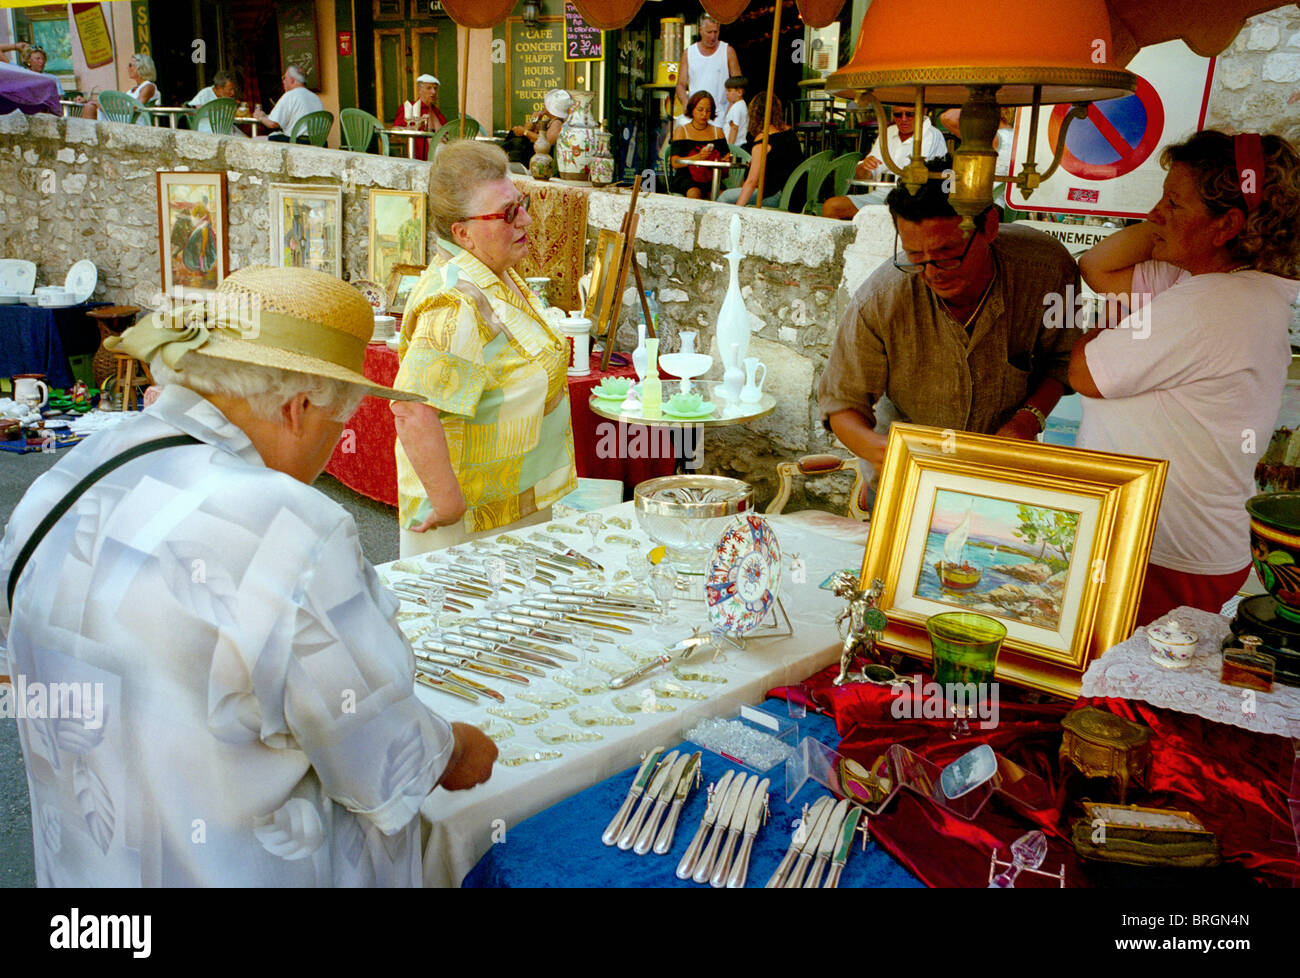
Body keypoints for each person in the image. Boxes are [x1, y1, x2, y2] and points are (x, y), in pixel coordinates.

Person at [0, 265, 497, 886]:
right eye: (337, 425)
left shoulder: (64, 480)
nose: (325, 458)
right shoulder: (291, 526)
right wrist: (458, 748)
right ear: (298, 409)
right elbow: (382, 761)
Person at [1069, 129, 1300, 625]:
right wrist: (1169, 226)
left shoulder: (1210, 304)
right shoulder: (1218, 286)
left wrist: (1107, 327)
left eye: (1174, 203)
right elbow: (1096, 266)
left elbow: (1083, 373)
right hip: (1178, 543)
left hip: (1163, 553)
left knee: (1121, 693)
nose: (1153, 214)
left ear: (1228, 225)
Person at [818, 156, 1080, 473]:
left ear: (991, 227)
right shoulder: (879, 300)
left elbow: (1062, 362)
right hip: (907, 466)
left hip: (1002, 461)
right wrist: (880, 451)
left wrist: (1027, 419)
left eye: (948, 254)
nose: (932, 273)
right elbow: (843, 406)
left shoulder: (1049, 270)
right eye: (914, 256)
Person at [394, 141, 577, 556]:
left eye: (522, 203)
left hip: (509, 507)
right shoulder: (455, 303)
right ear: (463, 233)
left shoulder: (496, 272)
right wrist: (448, 503)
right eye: (508, 213)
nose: (527, 219)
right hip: (469, 524)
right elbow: (412, 408)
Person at [822, 104, 948, 219]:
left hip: (913, 200)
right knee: (831, 206)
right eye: (898, 114)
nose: (903, 119)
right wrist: (865, 168)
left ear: (922, 112)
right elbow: (862, 176)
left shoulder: (932, 136)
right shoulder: (888, 132)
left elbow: (931, 183)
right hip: (881, 197)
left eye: (909, 114)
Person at [718, 94, 805, 209]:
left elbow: (752, 181)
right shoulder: (790, 133)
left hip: (777, 196)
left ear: (755, 114)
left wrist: (737, 209)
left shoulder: (763, 140)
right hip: (797, 195)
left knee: (725, 196)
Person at [675, 14, 741, 128]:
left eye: (716, 32)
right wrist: (686, 103)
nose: (713, 36)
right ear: (700, 30)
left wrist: (731, 109)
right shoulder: (689, 53)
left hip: (721, 115)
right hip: (695, 114)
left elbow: (739, 84)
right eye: (709, 32)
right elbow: (680, 84)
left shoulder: (728, 51)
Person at [668, 91, 730, 199]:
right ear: (692, 109)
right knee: (694, 193)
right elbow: (675, 162)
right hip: (686, 178)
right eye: (700, 110)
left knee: (723, 197)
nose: (704, 114)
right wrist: (698, 157)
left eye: (708, 110)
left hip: (711, 178)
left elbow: (726, 156)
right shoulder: (682, 131)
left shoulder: (717, 132)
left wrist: (726, 159)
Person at [255, 64, 324, 142]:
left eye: (284, 78)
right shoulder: (315, 97)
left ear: (291, 80)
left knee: (255, 140)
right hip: (317, 142)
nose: (283, 81)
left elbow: (272, 124)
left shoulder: (290, 95)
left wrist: (260, 117)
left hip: (297, 142)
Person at [80, 52, 157, 120]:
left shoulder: (148, 86)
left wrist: (105, 108)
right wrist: (92, 102)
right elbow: (118, 104)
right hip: (124, 119)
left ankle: (87, 135)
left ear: (141, 67)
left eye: (130, 65)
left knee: (90, 107)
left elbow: (135, 107)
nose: (127, 68)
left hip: (133, 122)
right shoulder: (134, 89)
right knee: (89, 105)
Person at [392, 73, 448, 162]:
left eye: (435, 88)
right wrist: (416, 126)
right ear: (419, 90)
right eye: (429, 88)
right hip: (424, 158)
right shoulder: (410, 108)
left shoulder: (436, 111)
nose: (433, 92)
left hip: (445, 156)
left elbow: (447, 133)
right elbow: (395, 131)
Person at [507, 88, 568, 166]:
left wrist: (525, 132)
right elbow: (528, 130)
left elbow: (546, 142)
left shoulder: (557, 123)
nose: (544, 106)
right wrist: (533, 121)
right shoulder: (549, 120)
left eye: (546, 105)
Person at [187, 68, 241, 132]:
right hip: (207, 129)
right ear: (219, 87)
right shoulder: (205, 94)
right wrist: (203, 109)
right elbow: (189, 111)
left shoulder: (228, 98)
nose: (233, 93)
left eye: (234, 89)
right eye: (230, 89)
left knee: (245, 140)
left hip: (226, 128)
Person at [722, 75, 748, 147]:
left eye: (729, 91)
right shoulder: (741, 105)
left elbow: (734, 128)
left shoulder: (737, 107)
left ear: (739, 92)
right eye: (726, 90)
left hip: (736, 145)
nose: (726, 93)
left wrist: (730, 148)